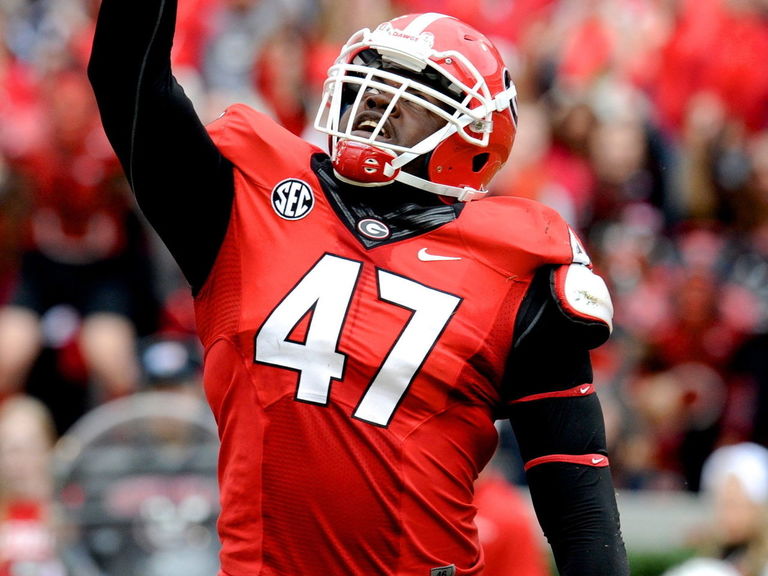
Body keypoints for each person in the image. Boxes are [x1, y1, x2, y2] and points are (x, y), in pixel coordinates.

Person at [88, 3, 629, 575]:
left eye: (413, 87)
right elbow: (125, 78)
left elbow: (578, 501)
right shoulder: (245, 197)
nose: (375, 96)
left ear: (472, 135)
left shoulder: (517, 265)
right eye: (371, 75)